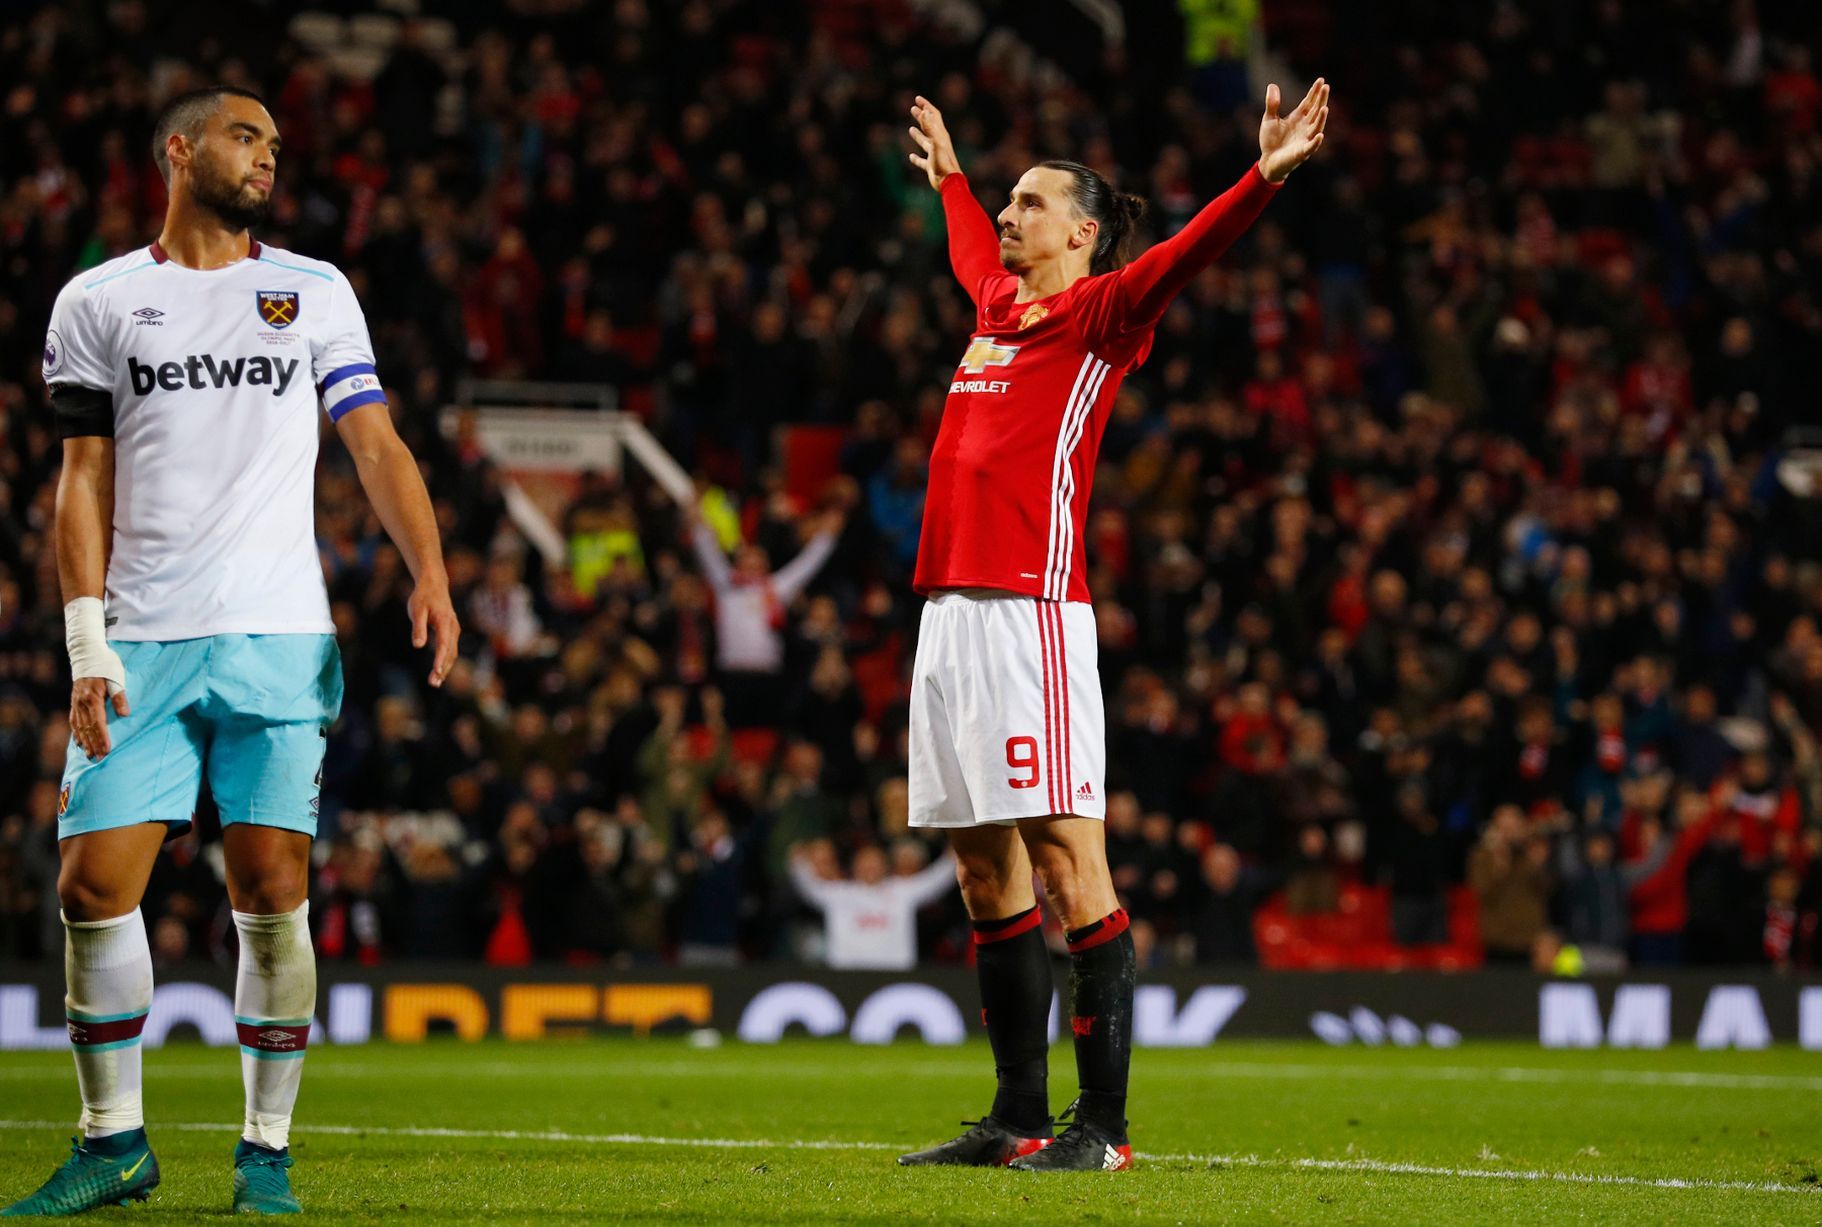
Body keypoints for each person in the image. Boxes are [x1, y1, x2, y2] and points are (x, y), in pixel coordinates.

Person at [5, 86, 458, 1217]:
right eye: (244, 136)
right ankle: (114, 1142)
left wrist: (432, 571)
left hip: (277, 635)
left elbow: (374, 442)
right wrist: (83, 643)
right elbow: (80, 483)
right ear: (182, 148)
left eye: (272, 143)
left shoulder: (311, 291)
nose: (266, 156)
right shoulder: (98, 299)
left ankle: (265, 1154)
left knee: (271, 887)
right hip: (142, 641)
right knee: (91, 882)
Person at [894, 79, 1329, 1172]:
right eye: (1006, 200)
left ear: (1081, 234)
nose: (1007, 213)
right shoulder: (997, 312)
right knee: (981, 875)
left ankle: (1106, 1128)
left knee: (1063, 862)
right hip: (945, 613)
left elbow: (1181, 257)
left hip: (1028, 615)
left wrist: (1260, 179)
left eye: (1028, 203)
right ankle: (1016, 1118)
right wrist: (949, 171)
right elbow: (964, 252)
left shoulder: (1100, 315)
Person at [788, 840, 957, 970]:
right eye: (865, 863)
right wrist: (798, 862)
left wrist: (955, 854)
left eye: (875, 863)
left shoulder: (902, 891)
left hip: (895, 975)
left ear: (885, 866)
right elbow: (808, 886)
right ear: (855, 867)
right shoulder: (839, 893)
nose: (870, 868)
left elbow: (936, 881)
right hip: (846, 976)